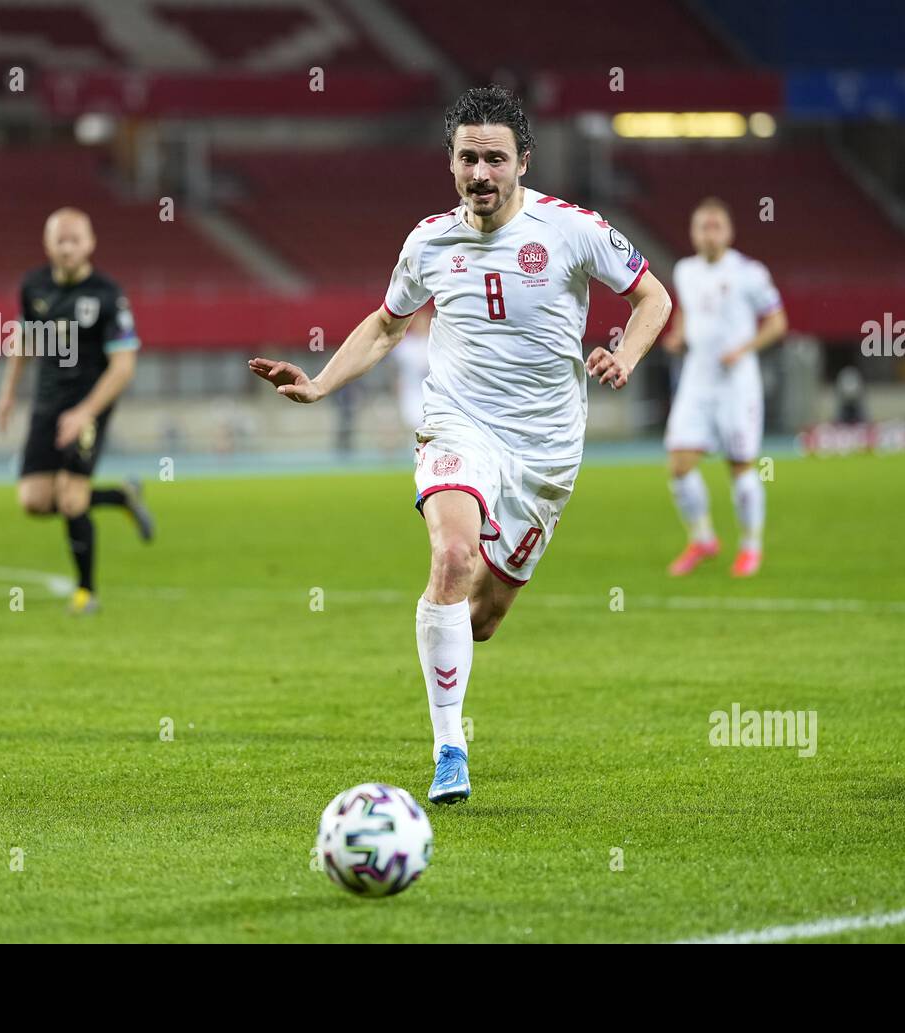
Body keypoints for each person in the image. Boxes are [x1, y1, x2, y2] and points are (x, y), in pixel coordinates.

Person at [249, 85, 671, 803]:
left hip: (546, 447)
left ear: (522, 163)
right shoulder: (428, 242)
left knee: (481, 620)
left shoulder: (572, 230)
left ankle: (452, 644)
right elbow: (386, 324)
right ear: (450, 163)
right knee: (451, 555)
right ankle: (451, 748)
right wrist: (321, 384)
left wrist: (625, 355)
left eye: (495, 159)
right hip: (458, 425)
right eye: (468, 158)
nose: (481, 173)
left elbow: (652, 297)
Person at [0, 208, 154, 615]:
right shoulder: (33, 286)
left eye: (75, 240)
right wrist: (7, 393)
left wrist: (85, 412)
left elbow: (124, 366)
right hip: (48, 404)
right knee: (34, 500)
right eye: (59, 240)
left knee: (70, 498)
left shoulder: (107, 295)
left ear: (90, 243)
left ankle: (86, 593)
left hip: (90, 403)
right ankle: (121, 496)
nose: (67, 247)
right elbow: (23, 339)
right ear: (48, 244)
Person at [661, 198, 787, 578]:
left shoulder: (750, 272)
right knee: (679, 464)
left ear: (729, 232)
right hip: (697, 379)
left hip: (737, 384)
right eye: (702, 226)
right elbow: (686, 308)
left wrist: (743, 349)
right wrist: (679, 335)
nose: (709, 233)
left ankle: (750, 546)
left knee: (741, 467)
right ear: (693, 232)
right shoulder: (685, 270)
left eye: (716, 226)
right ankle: (702, 539)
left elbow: (777, 322)